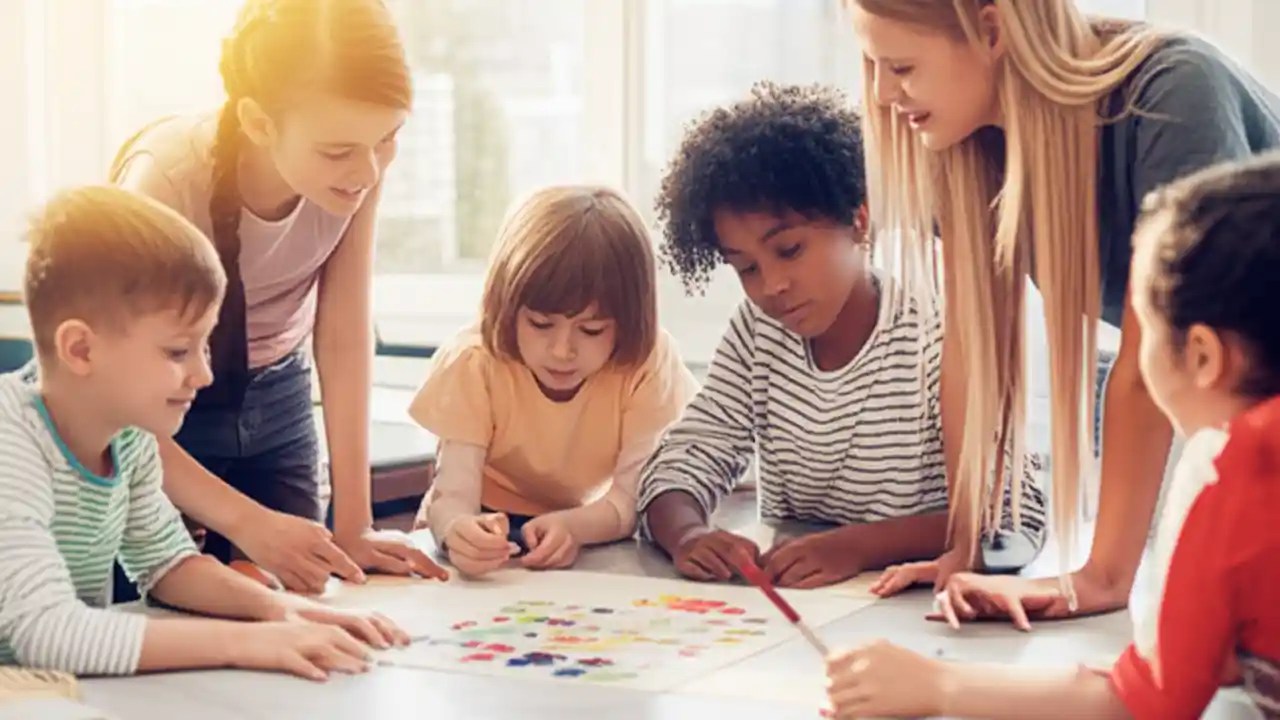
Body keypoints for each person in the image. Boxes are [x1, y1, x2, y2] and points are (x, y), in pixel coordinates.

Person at [849, 0, 1280, 620]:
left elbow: (1150, 363)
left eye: (902, 67)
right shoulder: (964, 141)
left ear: (992, 29)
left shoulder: (1175, 93)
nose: (885, 94)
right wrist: (966, 547)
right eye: (874, 67)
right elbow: (971, 350)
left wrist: (1101, 578)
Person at [824, 152, 1280, 720]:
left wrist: (936, 684)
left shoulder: (1229, 466)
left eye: (1146, 332)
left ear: (1204, 355)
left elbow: (1140, 704)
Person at [639, 82, 1046, 589]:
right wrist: (689, 534)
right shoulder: (758, 333)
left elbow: (1017, 518)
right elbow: (678, 465)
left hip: (922, 613)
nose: (772, 286)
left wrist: (858, 546)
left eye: (789, 250)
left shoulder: (937, 334)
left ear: (858, 222)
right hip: (802, 617)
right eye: (745, 267)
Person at [0, 186, 409, 680]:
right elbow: (46, 633)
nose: (204, 375)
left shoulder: (129, 437)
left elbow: (168, 565)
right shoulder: (11, 438)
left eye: (204, 348)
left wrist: (283, 612)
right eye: (177, 352)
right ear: (81, 350)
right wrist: (248, 642)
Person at [111, 0, 446, 593]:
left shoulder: (357, 164)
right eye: (338, 151)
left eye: (387, 139)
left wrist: (354, 523)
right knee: (164, 605)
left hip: (281, 401)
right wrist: (246, 523)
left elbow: (342, 332)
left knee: (303, 596)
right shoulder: (161, 179)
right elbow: (118, 412)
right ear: (260, 123)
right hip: (159, 413)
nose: (368, 171)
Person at [409, 186, 698, 577]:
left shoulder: (647, 363)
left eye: (592, 330)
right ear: (507, 308)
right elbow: (452, 497)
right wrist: (457, 532)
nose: (562, 350)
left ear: (629, 323)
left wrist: (572, 528)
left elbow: (630, 501)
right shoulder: (475, 361)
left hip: (588, 526)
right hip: (483, 522)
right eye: (541, 324)